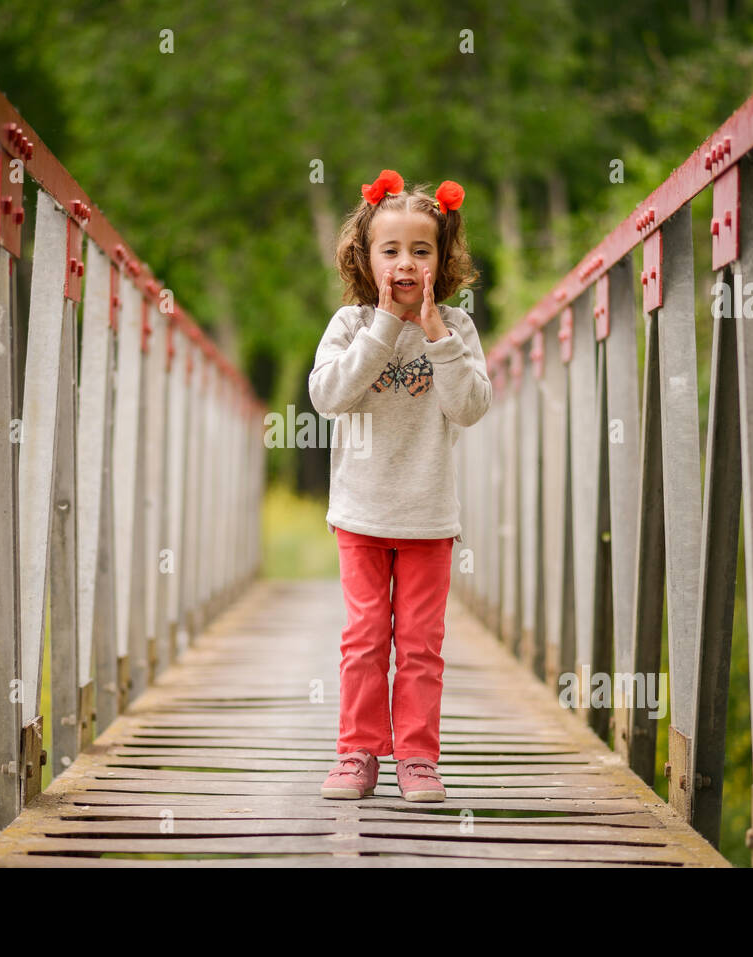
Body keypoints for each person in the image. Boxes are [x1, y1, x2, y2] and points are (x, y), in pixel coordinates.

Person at [308, 169, 491, 803]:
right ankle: (357, 752)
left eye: (421, 250)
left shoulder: (458, 331)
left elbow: (469, 407)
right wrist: (385, 326)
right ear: (366, 258)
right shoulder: (351, 324)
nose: (405, 262)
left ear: (442, 262)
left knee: (420, 646)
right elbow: (329, 395)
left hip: (428, 519)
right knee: (364, 639)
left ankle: (417, 757)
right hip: (360, 513)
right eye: (391, 250)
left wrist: (437, 338)